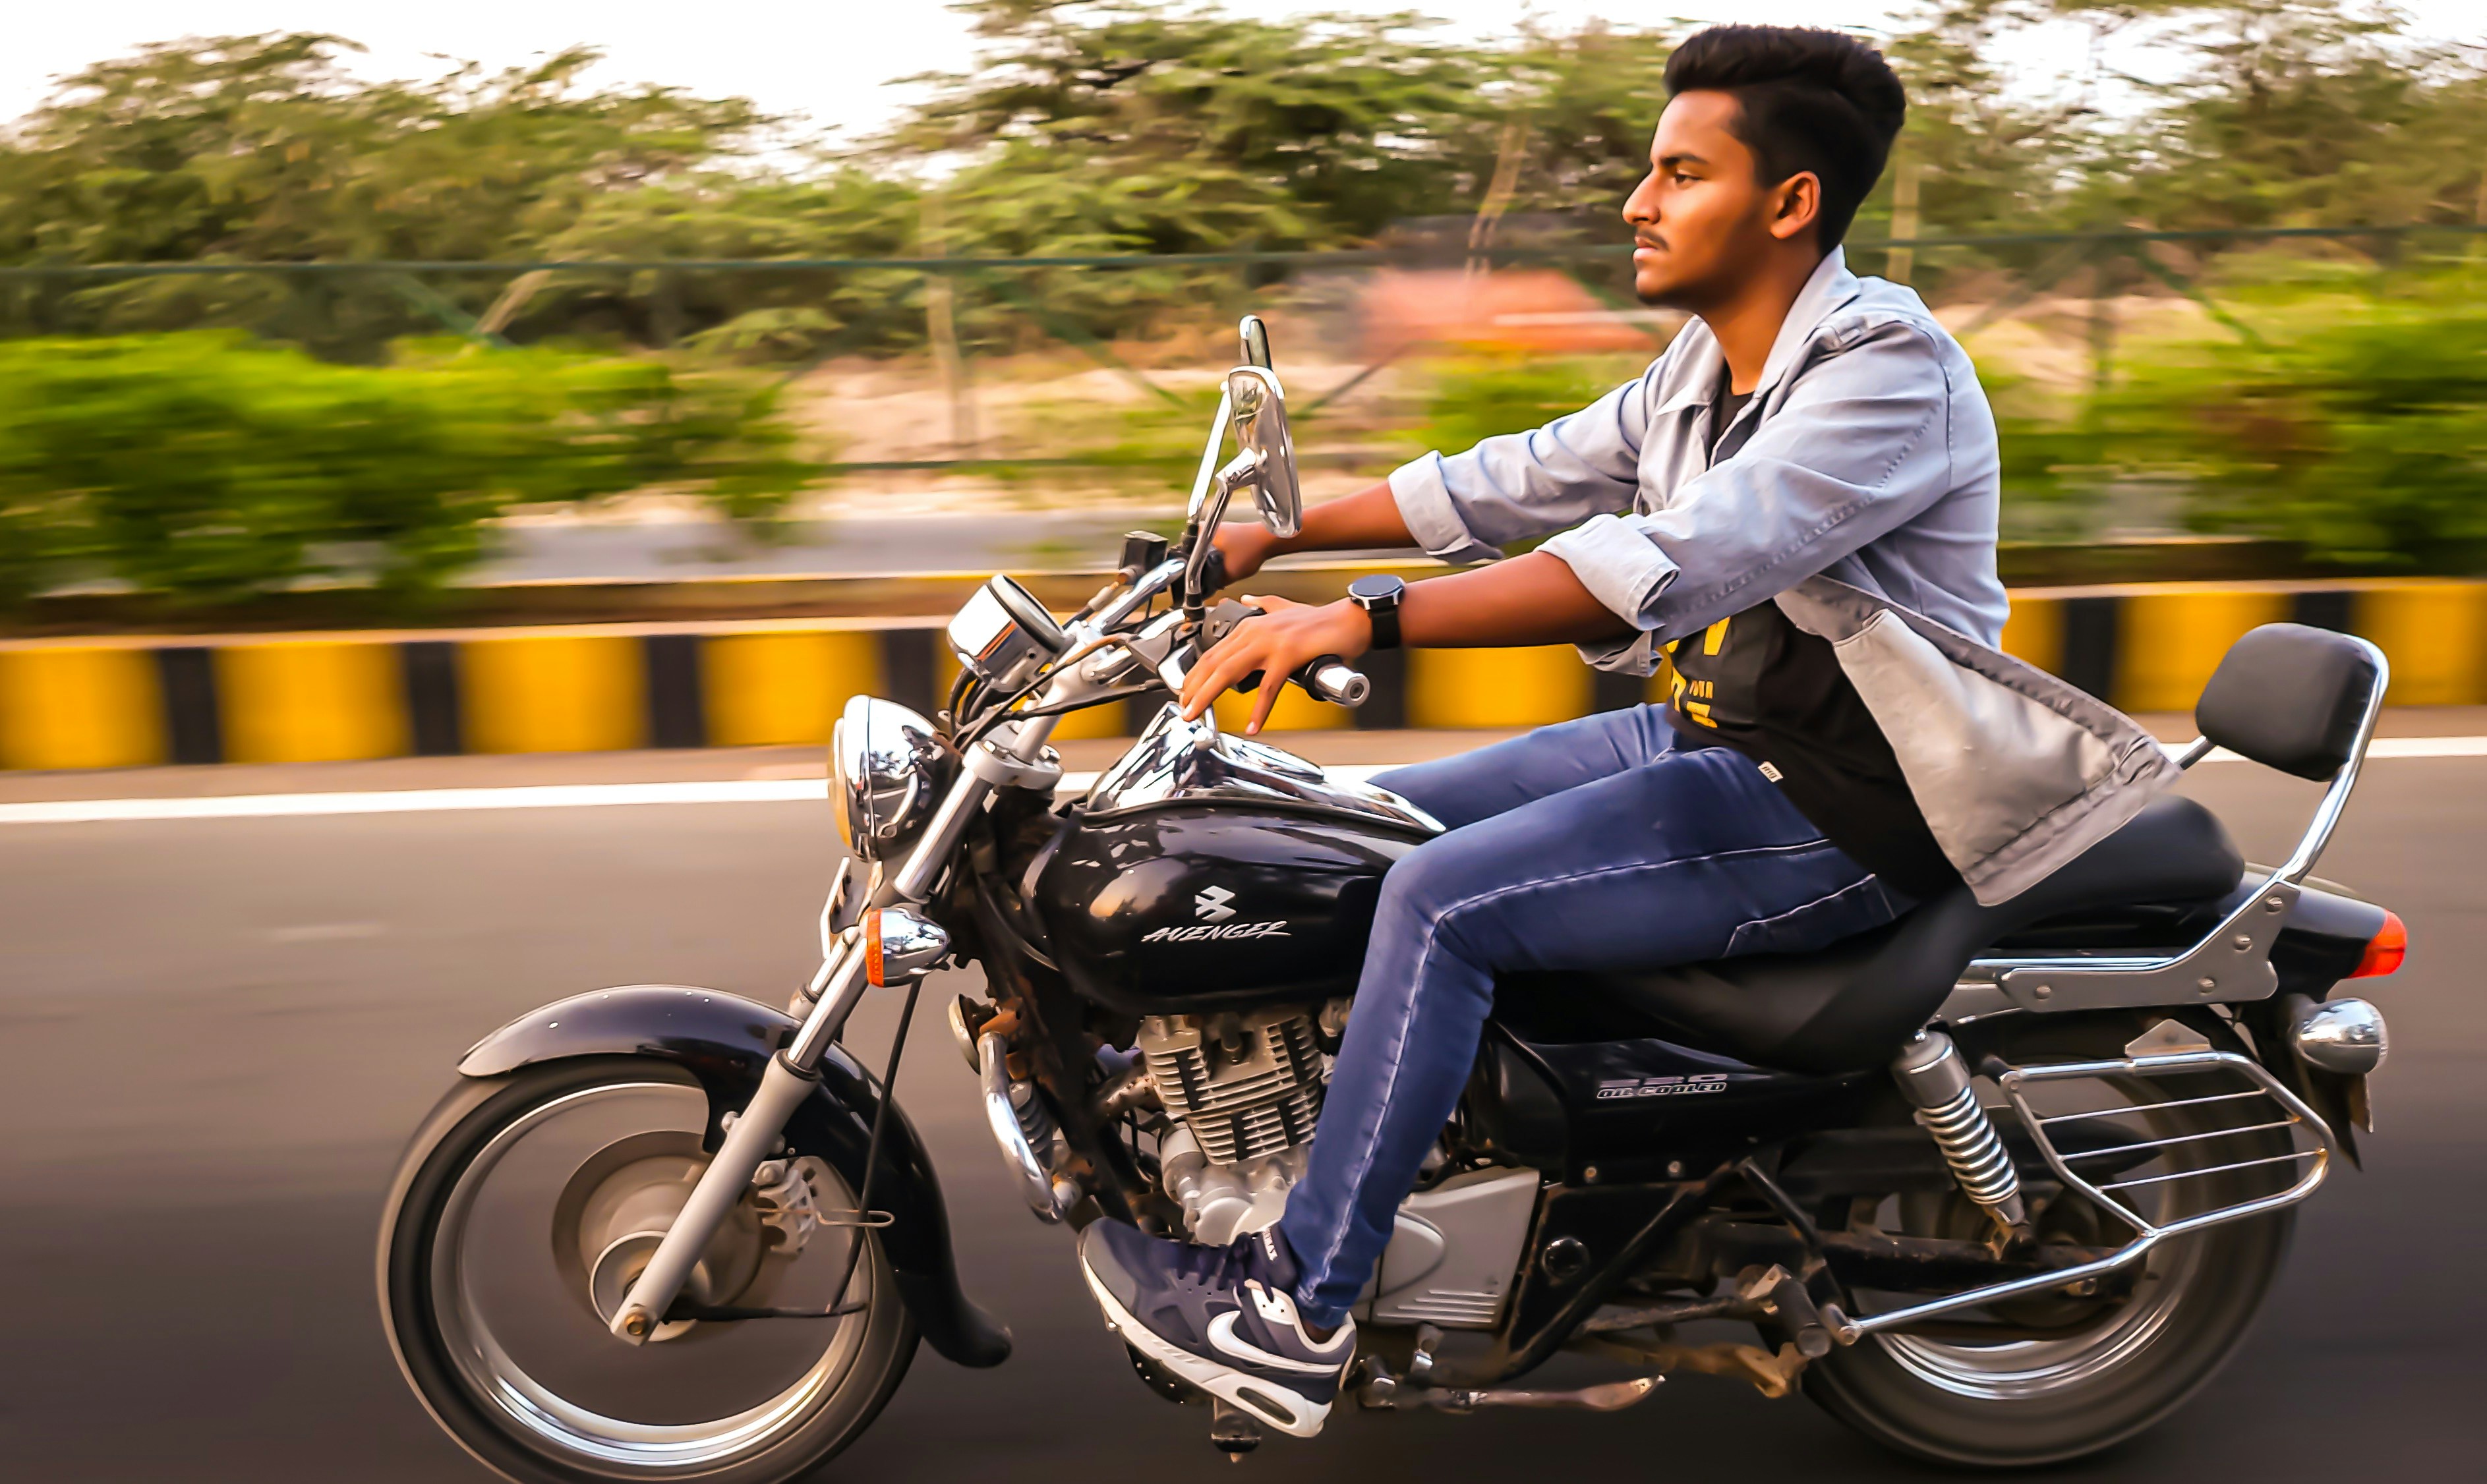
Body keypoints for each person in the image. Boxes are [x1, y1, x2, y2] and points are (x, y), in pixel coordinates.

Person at [1077, 23, 2010, 1440]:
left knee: (1438, 900)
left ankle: (1299, 1306)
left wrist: (1363, 619)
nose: (1639, 201)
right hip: (1712, 745)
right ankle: (1289, 1127)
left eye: (1678, 173)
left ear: (1790, 202)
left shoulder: (1886, 373)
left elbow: (1668, 561)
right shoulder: (1710, 364)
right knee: (1352, 831)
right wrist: (1269, 537)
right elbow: (1520, 480)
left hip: (1855, 802)